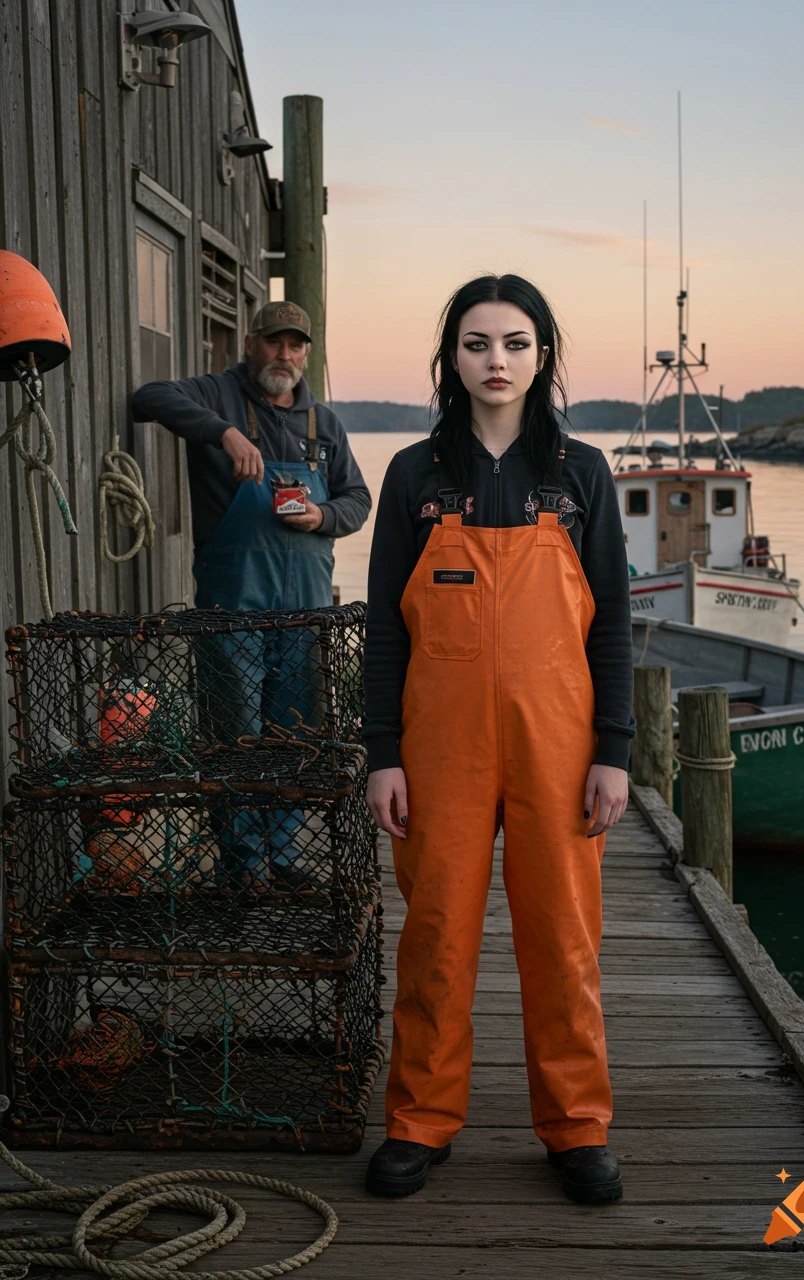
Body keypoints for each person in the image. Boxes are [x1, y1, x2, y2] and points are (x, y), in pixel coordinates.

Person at [362, 274, 634, 1203]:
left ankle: (576, 1127)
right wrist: (382, 754)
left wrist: (615, 749)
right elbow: (386, 629)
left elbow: (613, 626)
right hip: (440, 743)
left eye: (515, 344)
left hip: (560, 741)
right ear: (451, 359)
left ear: (543, 356)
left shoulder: (581, 473)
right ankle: (419, 1122)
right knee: (436, 932)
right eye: (477, 344)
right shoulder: (413, 474)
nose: (497, 361)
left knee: (564, 939)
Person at [132, 301, 371, 891]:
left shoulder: (326, 425)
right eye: (272, 342)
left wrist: (321, 515)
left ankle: (282, 854)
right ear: (249, 343)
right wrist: (226, 433)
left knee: (295, 732)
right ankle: (242, 863)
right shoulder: (217, 395)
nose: (283, 355)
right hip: (233, 600)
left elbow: (359, 500)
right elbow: (148, 397)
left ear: (307, 353)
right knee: (233, 732)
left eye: (295, 345)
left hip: (306, 611)